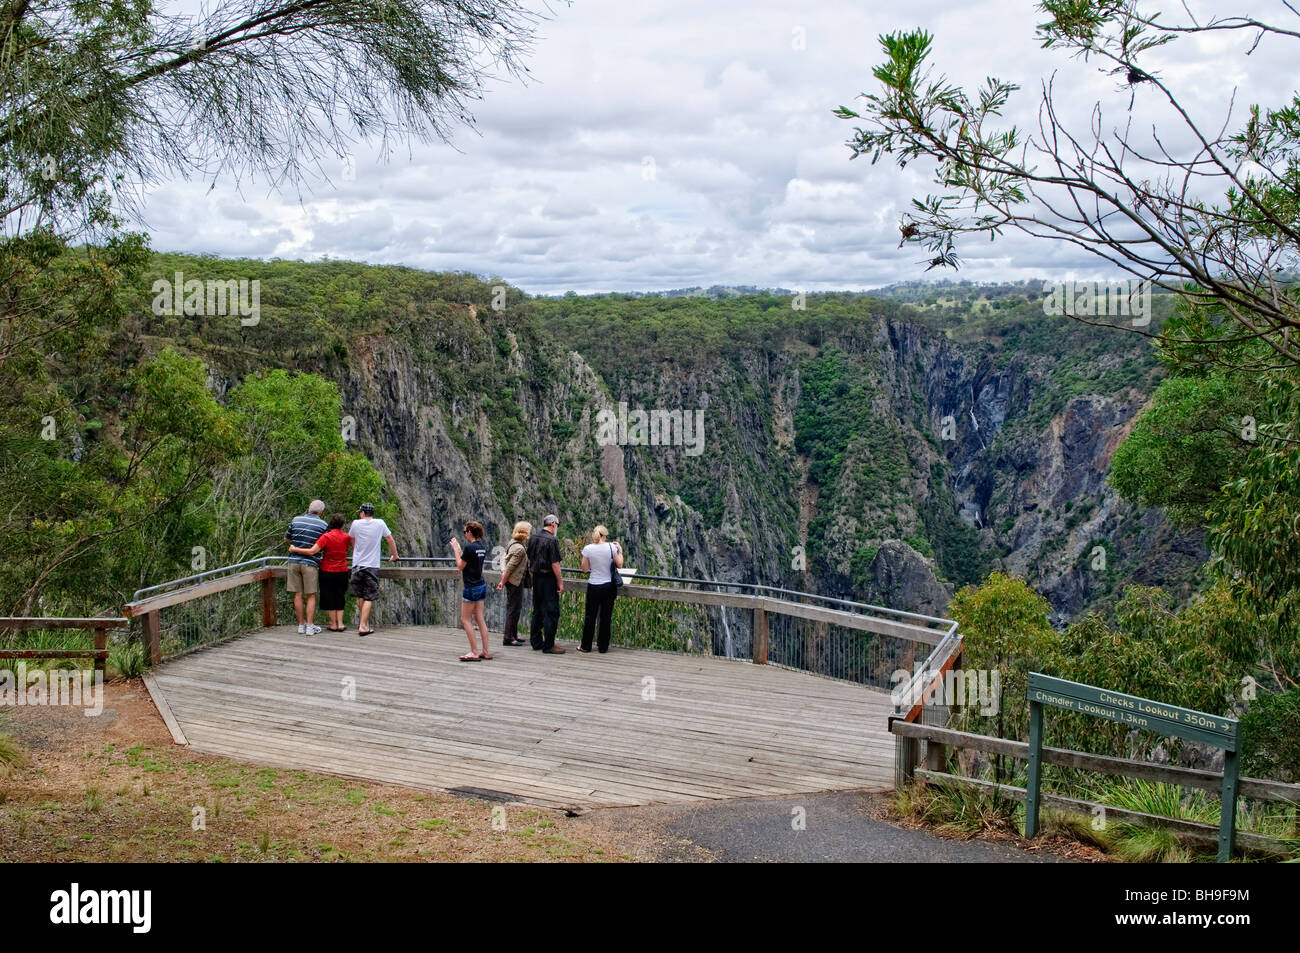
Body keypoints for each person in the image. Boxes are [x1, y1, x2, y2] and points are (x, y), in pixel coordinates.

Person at [288, 514, 352, 631]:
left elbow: (312, 551)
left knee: (329, 596)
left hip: (327, 569)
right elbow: (356, 547)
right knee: (340, 596)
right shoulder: (347, 537)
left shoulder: (326, 537)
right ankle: (341, 623)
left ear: (331, 523)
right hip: (342, 570)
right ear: (342, 525)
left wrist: (294, 549)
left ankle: (333, 624)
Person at [348, 503, 398, 636]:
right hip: (372, 565)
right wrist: (395, 555)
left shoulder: (355, 524)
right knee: (369, 596)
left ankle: (364, 623)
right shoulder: (380, 523)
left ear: (363, 513)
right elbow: (390, 539)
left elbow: (351, 539)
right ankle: (363, 625)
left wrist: (356, 550)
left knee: (360, 594)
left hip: (357, 564)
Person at [284, 500, 328, 636]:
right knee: (311, 595)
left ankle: (301, 625)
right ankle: (310, 626)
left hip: (293, 561)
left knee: (297, 594)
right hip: (311, 563)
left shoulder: (296, 520)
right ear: (321, 512)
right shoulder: (323, 525)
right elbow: (325, 544)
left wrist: (296, 545)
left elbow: (286, 538)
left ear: (309, 509)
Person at [450, 522, 492, 661]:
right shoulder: (481, 547)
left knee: (465, 619)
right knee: (479, 618)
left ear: (469, 532)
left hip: (471, 587)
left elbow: (461, 565)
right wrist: (461, 552)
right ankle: (485, 651)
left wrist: (456, 550)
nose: (465, 534)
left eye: (465, 532)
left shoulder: (469, 547)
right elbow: (469, 560)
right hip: (481, 584)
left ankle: (474, 651)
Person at [579, 525, 623, 654]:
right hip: (608, 586)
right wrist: (620, 550)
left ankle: (586, 646)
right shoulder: (611, 547)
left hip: (593, 585)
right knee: (605, 617)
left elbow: (585, 568)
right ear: (604, 535)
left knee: (590, 616)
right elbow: (619, 564)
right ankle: (603, 646)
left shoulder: (588, 549)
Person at [527, 514, 565, 654]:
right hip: (548, 579)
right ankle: (549, 645)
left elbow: (529, 560)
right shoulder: (552, 540)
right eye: (558, 525)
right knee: (551, 611)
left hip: (536, 578)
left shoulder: (533, 537)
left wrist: (532, 577)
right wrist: (560, 582)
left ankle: (536, 642)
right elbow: (555, 564)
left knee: (537, 610)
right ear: (553, 524)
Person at [495, 521, 531, 646]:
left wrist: (503, 577)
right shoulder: (520, 548)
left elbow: (504, 559)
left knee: (515, 608)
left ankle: (513, 635)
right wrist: (502, 581)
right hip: (515, 582)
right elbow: (510, 567)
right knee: (513, 609)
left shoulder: (513, 543)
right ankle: (508, 637)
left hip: (513, 581)